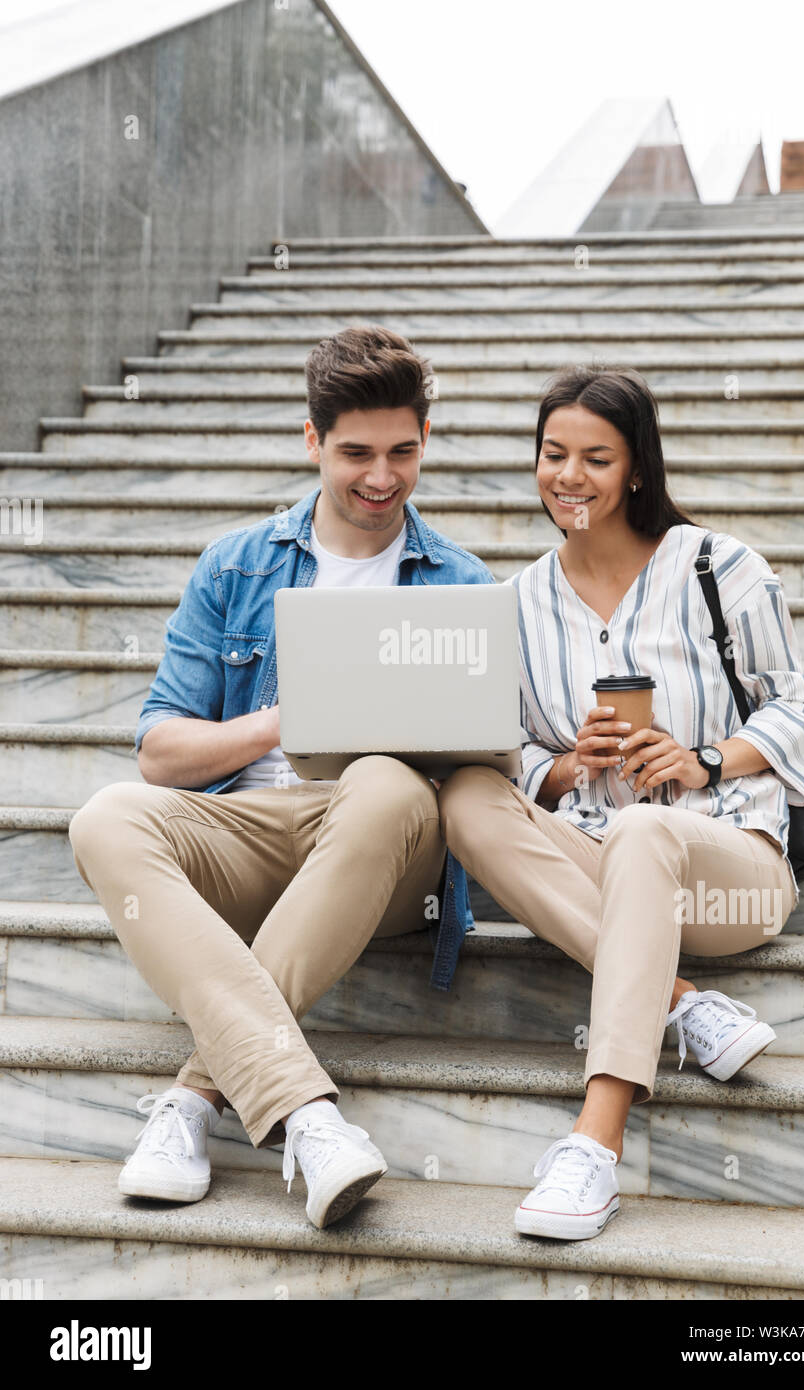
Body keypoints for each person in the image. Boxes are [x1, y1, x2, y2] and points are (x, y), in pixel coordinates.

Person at [68, 325, 494, 1229]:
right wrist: (290, 719)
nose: (380, 477)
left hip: (383, 844)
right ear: (312, 439)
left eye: (403, 452)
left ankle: (193, 1101)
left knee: (382, 779)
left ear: (425, 440)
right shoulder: (236, 564)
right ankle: (301, 1109)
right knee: (107, 816)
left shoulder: (459, 582)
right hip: (253, 831)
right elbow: (160, 750)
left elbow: (497, 766)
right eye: (355, 453)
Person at [437, 366, 804, 1242]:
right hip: (599, 861)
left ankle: (595, 1147)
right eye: (552, 454)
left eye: (596, 459)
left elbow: (796, 706)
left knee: (650, 825)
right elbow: (515, 750)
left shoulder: (722, 569)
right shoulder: (519, 601)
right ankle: (683, 1002)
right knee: (465, 795)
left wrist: (703, 760)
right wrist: (571, 766)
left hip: (733, 870)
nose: (568, 477)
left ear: (638, 468)